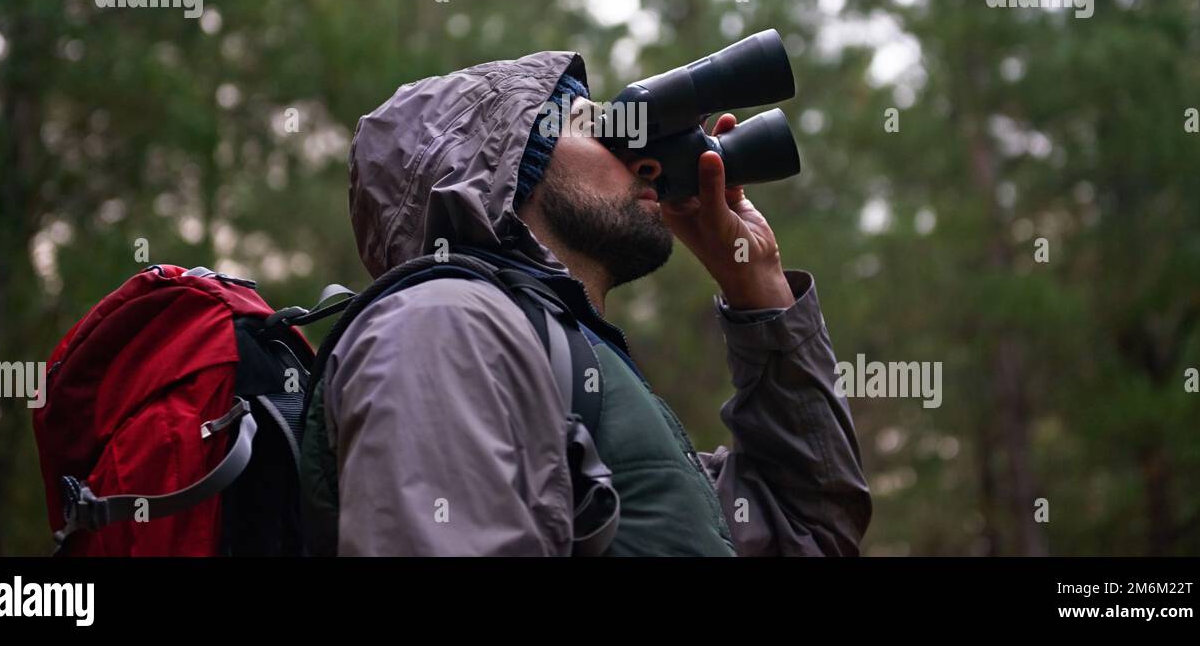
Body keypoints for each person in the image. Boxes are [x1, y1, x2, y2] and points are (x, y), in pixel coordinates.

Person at [311, 50, 871, 555]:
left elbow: (809, 530)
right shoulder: (440, 323)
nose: (643, 159)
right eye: (594, 124)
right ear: (504, 167)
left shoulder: (578, 380)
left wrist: (758, 284)